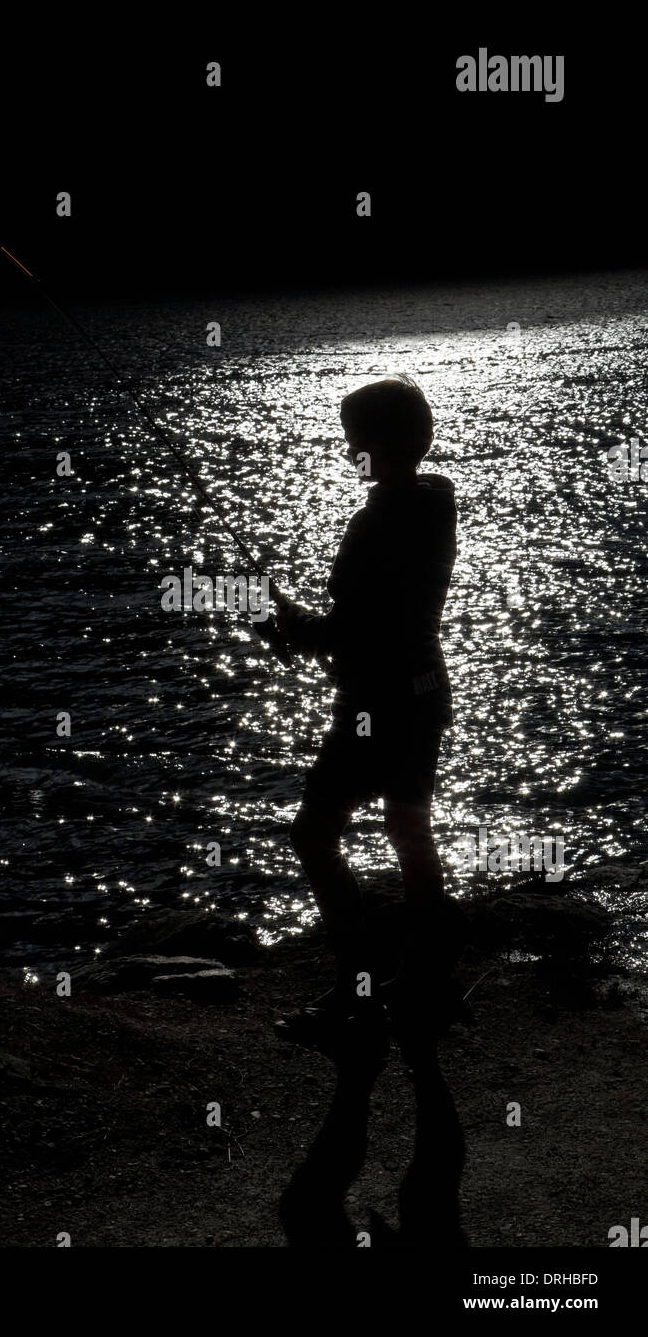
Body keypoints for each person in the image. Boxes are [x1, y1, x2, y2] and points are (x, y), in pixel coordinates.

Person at [274, 374, 464, 1044]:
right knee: (411, 834)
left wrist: (295, 628)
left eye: (354, 442)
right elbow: (384, 615)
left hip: (374, 707)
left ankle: (357, 992)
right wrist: (317, 631)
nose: (346, 453)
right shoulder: (438, 499)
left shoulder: (374, 521)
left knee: (313, 833)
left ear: (380, 446)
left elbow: (350, 628)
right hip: (424, 693)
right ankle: (424, 977)